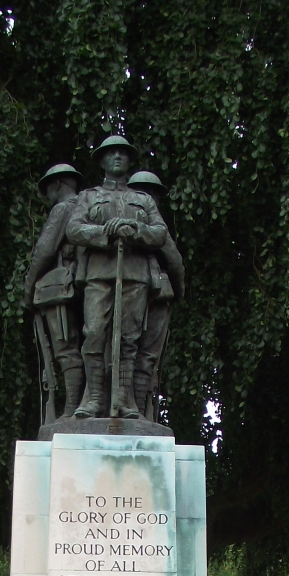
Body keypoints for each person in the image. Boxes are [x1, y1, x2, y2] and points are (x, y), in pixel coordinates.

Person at [65, 135, 167, 419]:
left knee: (128, 338)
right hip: (99, 273)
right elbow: (74, 229)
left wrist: (135, 229)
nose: (118, 157)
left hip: (135, 275)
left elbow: (159, 233)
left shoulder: (142, 200)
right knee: (95, 333)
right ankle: (95, 397)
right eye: (112, 153)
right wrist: (105, 232)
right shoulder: (89, 196)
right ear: (102, 160)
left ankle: (123, 399)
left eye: (123, 153)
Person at [23, 163, 85, 418]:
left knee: (65, 348)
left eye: (47, 188)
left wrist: (29, 286)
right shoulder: (86, 208)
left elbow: (45, 251)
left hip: (62, 287)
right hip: (83, 286)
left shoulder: (63, 209)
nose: (47, 195)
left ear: (57, 184)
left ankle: (72, 407)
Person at [128, 170, 185, 419]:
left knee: (124, 349)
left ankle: (136, 408)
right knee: (147, 354)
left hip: (128, 290)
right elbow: (174, 261)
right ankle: (138, 410)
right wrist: (179, 291)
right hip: (159, 292)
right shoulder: (152, 226)